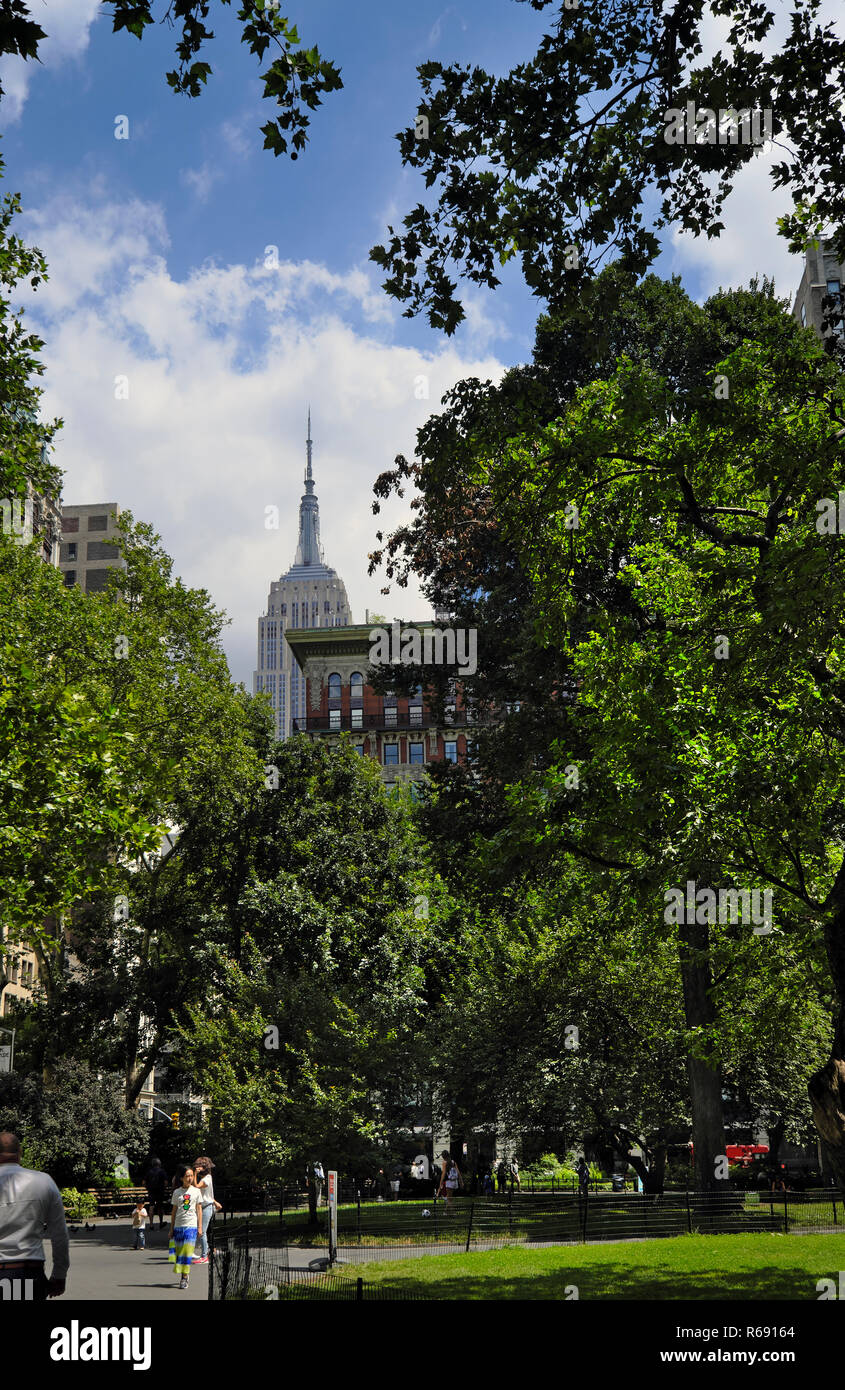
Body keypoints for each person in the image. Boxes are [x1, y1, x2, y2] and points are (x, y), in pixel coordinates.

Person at [0, 1130, 69, 1300]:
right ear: (20, 1153)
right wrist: (59, 1274)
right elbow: (59, 1235)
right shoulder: (43, 1181)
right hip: (28, 1272)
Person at [168, 1163, 203, 1290]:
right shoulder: (177, 1192)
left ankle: (184, 1277)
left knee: (187, 1253)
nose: (189, 1178)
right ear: (181, 1178)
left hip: (191, 1225)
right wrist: (171, 1229)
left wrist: (200, 1227)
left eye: (191, 1175)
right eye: (187, 1176)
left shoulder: (196, 1191)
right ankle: (183, 1274)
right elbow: (174, 1211)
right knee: (180, 1254)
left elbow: (199, 1210)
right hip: (178, 1225)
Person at [193, 1156, 222, 1264]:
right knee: (204, 1231)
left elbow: (196, 1186)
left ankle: (204, 1256)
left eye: (199, 1166)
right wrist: (215, 1202)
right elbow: (208, 1194)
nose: (197, 1168)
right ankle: (207, 1252)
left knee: (202, 1231)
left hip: (205, 1207)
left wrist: (195, 1174)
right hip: (206, 1205)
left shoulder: (206, 1179)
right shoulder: (207, 1178)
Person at [144, 1156, 167, 1230]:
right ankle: (161, 1222)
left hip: (151, 1191)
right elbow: (165, 1182)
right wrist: (163, 1187)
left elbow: (144, 1182)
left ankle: (151, 1224)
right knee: (160, 1207)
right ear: (159, 1164)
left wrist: (148, 1187)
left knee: (151, 1206)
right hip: (160, 1191)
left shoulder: (149, 1172)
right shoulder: (162, 1171)